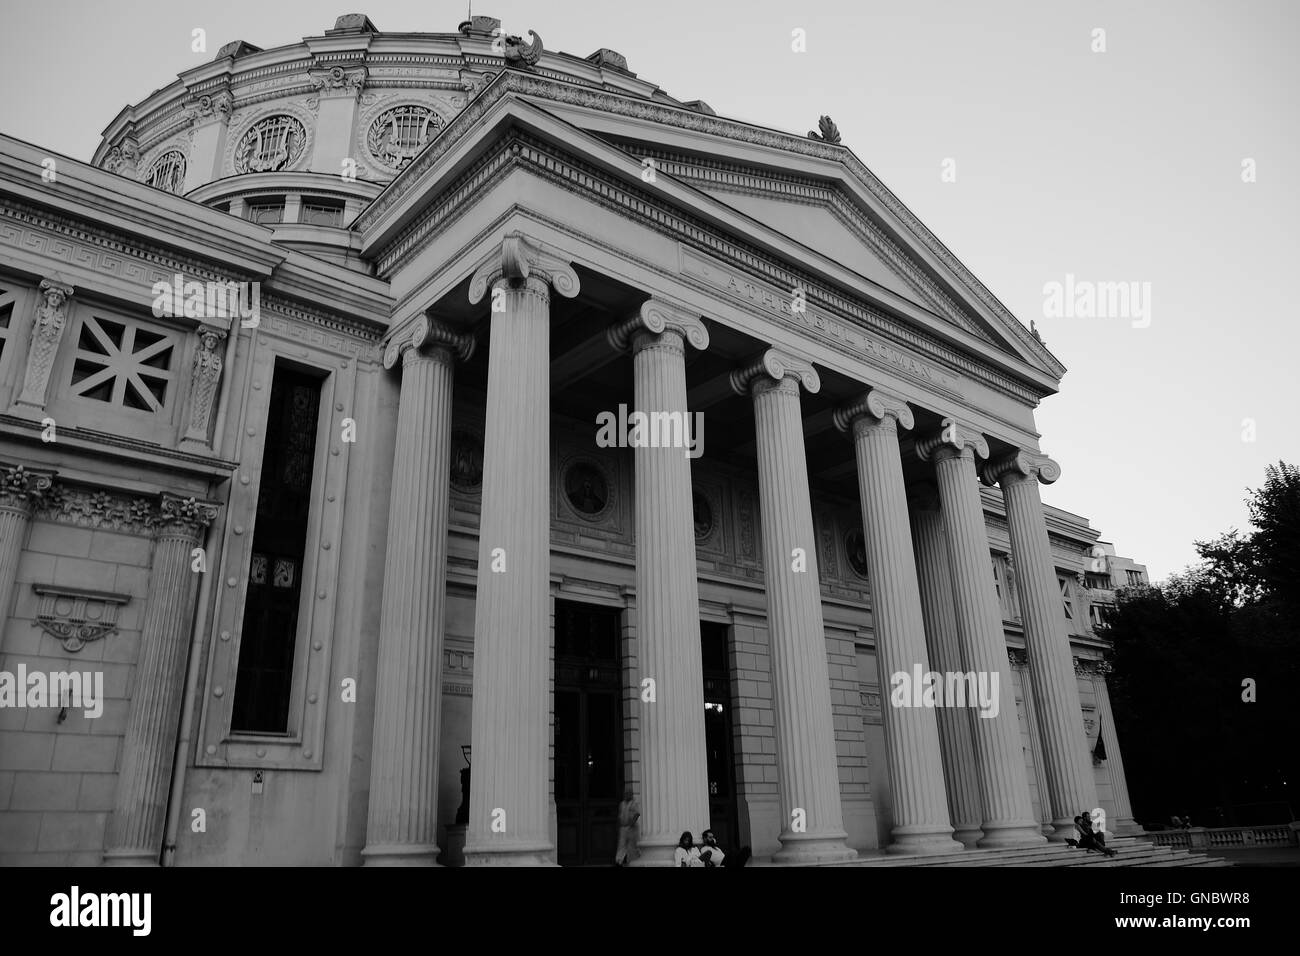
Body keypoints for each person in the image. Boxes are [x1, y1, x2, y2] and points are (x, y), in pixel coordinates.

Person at [615, 789, 640, 866]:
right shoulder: (622, 804)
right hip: (623, 827)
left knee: (632, 845)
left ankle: (633, 861)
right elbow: (620, 815)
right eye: (625, 794)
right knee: (621, 844)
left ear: (631, 794)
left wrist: (632, 823)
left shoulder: (634, 803)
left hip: (632, 827)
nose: (626, 795)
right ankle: (619, 861)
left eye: (628, 794)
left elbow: (637, 814)